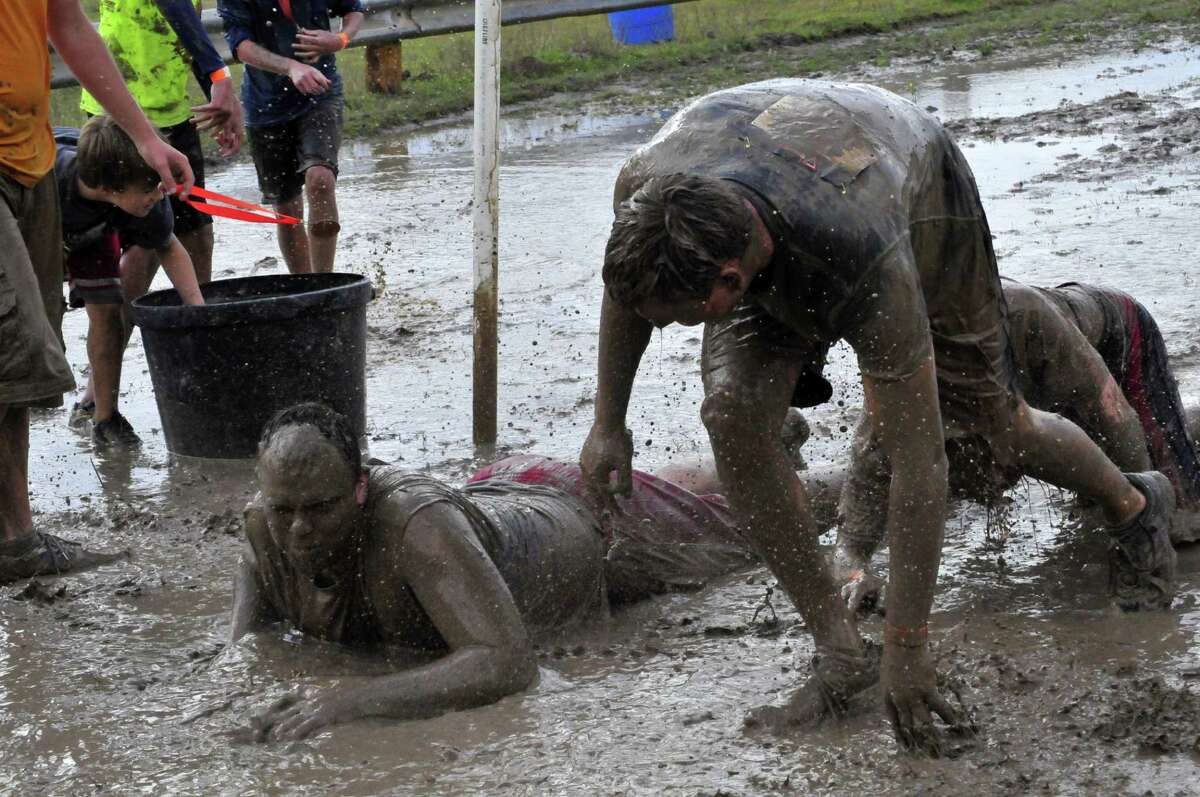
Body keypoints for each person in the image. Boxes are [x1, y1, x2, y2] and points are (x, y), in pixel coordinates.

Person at [581, 78, 1174, 753]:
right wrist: (608, 422)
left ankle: (1134, 504)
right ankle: (839, 653)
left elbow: (919, 462)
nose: (666, 329)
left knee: (994, 427)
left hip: (916, 198)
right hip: (757, 176)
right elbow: (626, 293)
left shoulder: (865, 255)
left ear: (729, 282)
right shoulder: (647, 192)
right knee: (732, 416)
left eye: (677, 319)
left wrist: (908, 646)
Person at [231, 403, 763, 741]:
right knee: (663, 495)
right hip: (499, 491)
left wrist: (352, 699)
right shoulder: (261, 529)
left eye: (320, 508)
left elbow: (507, 663)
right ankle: (745, 457)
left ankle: (778, 464)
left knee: (755, 530)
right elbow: (246, 649)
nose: (299, 529)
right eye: (284, 510)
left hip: (575, 518)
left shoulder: (412, 524)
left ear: (360, 487)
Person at [834, 280, 1200, 613]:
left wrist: (1136, 519)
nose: (996, 483)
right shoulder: (886, 421)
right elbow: (849, 542)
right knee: (1094, 505)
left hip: (1114, 334)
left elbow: (1116, 415)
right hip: (1040, 384)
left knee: (1179, 523)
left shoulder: (1027, 322)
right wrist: (854, 576)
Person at [0, 0, 192, 584]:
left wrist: (144, 137)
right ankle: (15, 540)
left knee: (22, 365)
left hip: (28, 161)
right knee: (16, 339)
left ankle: (16, 540)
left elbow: (68, 23)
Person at [70, 0, 244, 430]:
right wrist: (219, 77)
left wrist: (215, 83)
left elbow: (187, 22)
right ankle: (99, 382)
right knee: (143, 244)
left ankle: (201, 345)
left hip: (170, 108)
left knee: (196, 234)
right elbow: (177, 10)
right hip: (120, 106)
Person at [56, 119, 206, 449]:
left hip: (95, 232)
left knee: (109, 314)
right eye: (150, 188)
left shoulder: (143, 191)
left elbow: (168, 246)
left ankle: (105, 418)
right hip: (38, 227)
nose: (159, 193)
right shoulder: (49, 181)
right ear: (111, 186)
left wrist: (199, 312)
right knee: (40, 328)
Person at [217, 0, 364, 274]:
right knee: (287, 210)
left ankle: (325, 283)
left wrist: (340, 39)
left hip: (320, 92)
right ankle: (304, 285)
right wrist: (291, 67)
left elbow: (354, 8)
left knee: (320, 180)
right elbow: (240, 46)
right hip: (265, 104)